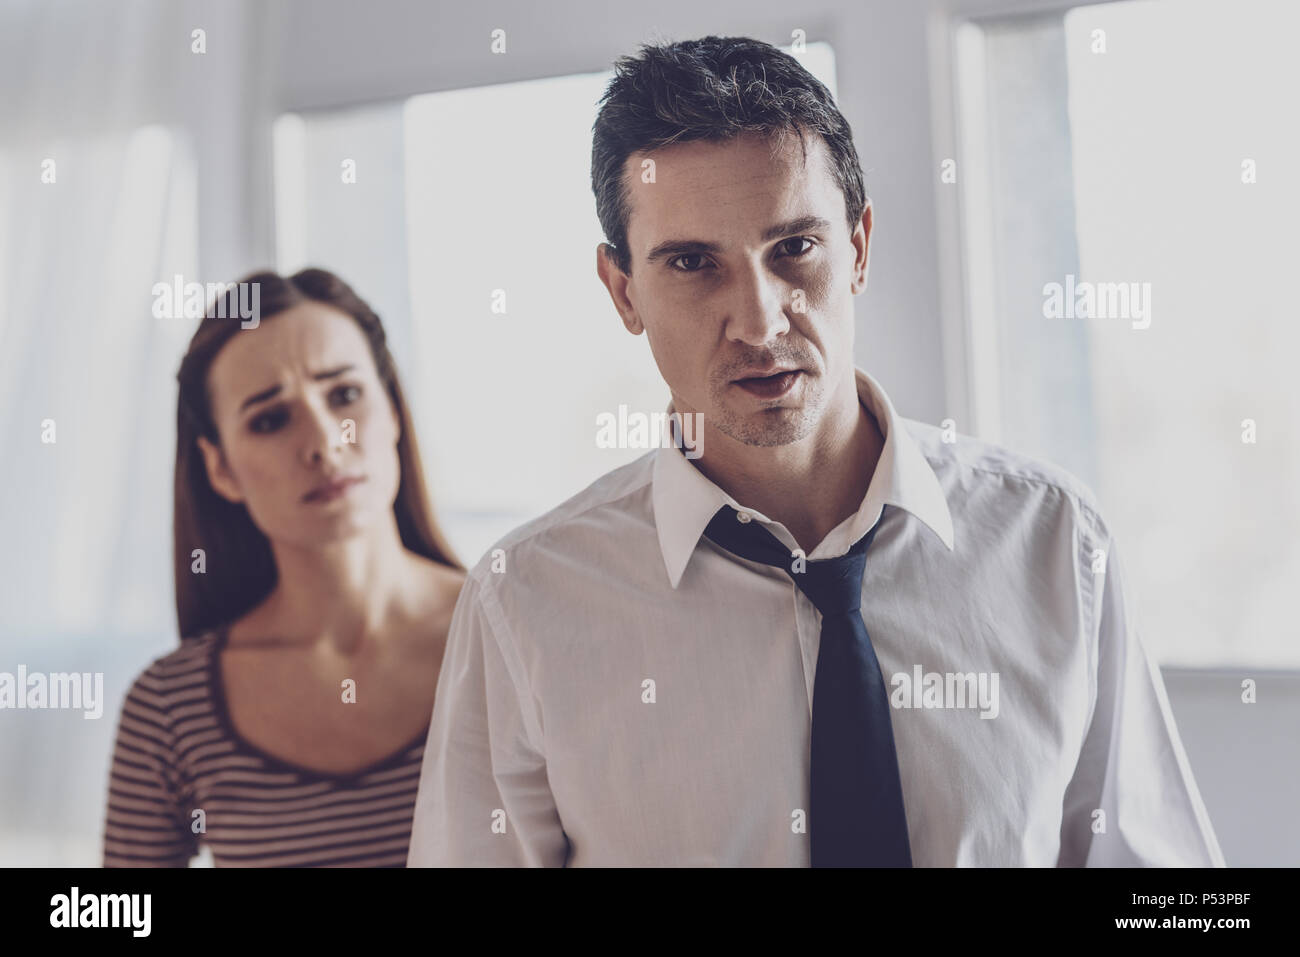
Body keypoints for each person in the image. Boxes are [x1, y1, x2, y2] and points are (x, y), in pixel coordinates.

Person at [407, 36, 1224, 867]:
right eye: (693, 263)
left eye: (794, 248)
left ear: (859, 247)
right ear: (624, 292)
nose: (760, 323)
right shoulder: (526, 607)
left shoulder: (1055, 545)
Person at [103, 268, 465, 867]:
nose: (323, 441)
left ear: (393, 409)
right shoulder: (169, 709)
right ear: (220, 469)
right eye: (270, 419)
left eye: (344, 394)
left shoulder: (516, 631)